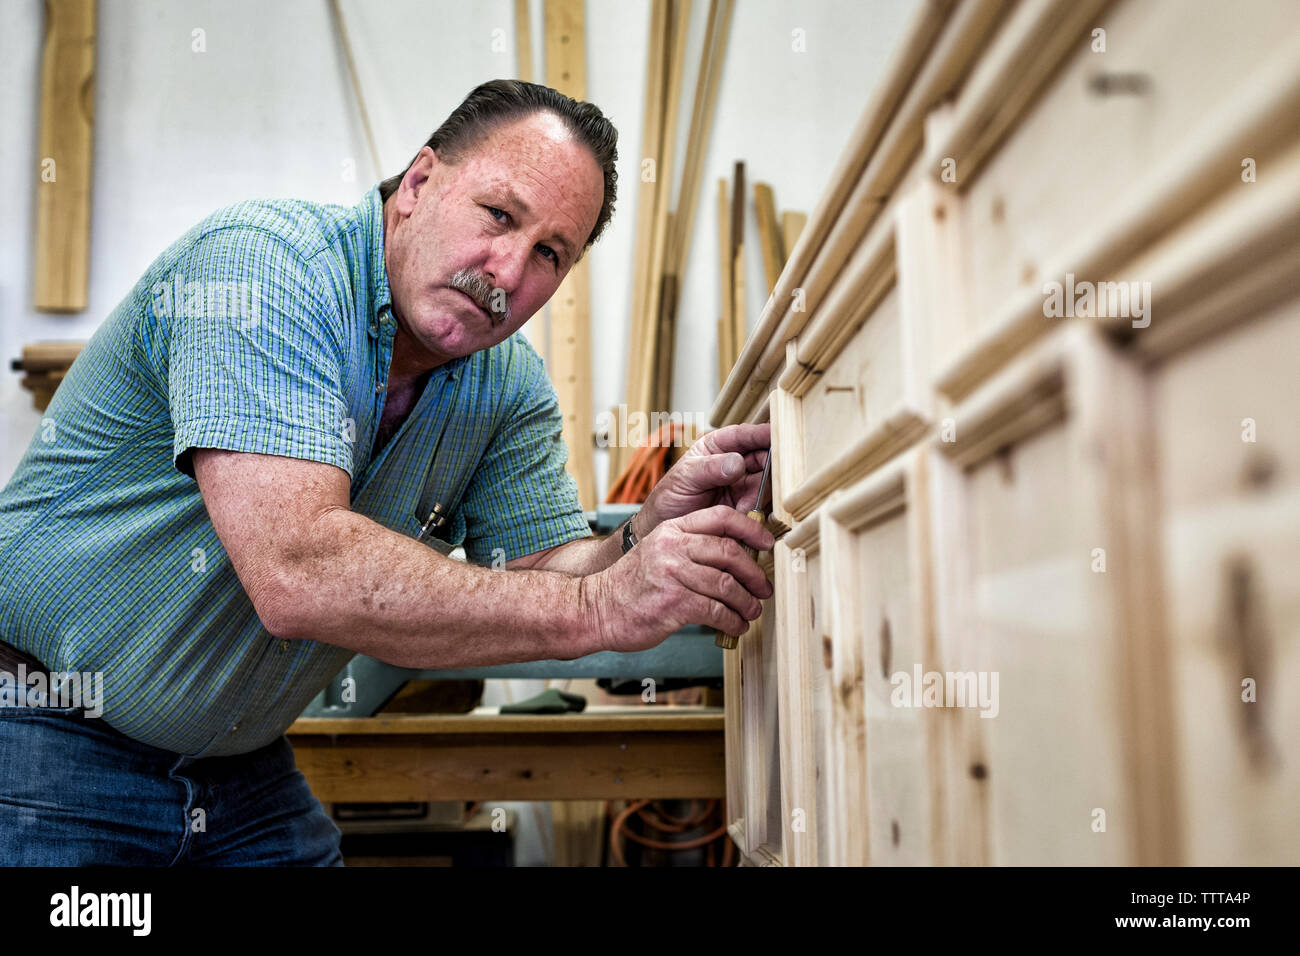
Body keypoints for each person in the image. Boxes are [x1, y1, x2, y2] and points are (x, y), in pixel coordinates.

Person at [0, 79, 772, 865]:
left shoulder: (506, 383)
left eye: (550, 253)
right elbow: (299, 570)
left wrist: (644, 535)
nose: (507, 271)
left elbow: (544, 570)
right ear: (418, 184)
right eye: (499, 215)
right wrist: (602, 605)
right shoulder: (263, 270)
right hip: (39, 731)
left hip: (236, 766)